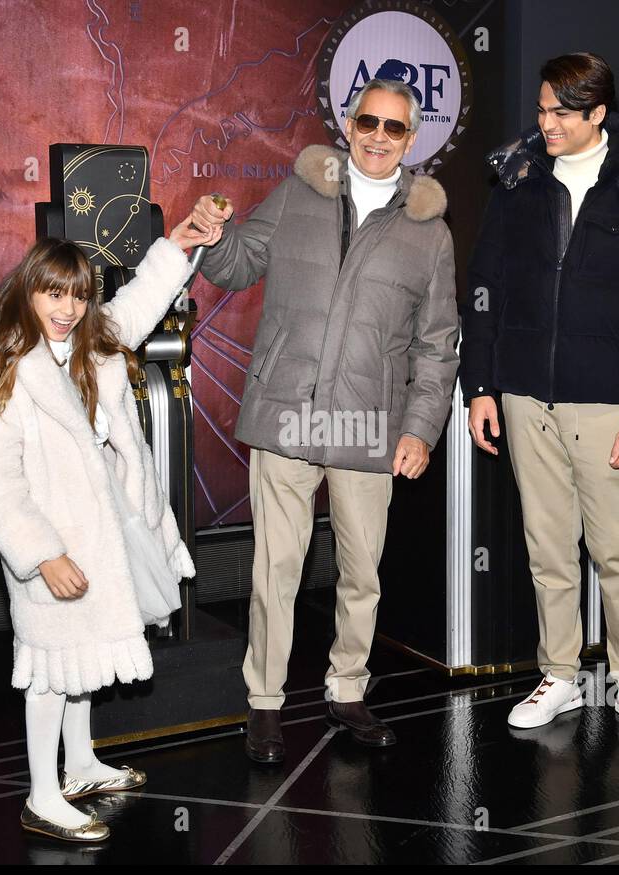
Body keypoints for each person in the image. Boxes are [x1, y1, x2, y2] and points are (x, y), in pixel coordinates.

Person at [188, 78, 460, 762]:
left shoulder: (429, 234)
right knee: (276, 567)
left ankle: (346, 688)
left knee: (362, 570)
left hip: (370, 425)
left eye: (393, 127)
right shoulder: (298, 193)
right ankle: (265, 702)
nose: (377, 135)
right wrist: (211, 237)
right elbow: (239, 261)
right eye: (367, 120)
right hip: (287, 410)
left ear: (412, 139)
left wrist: (420, 429)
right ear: (347, 121)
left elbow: (437, 344)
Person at [460, 53, 619, 741]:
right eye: (541, 109)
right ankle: (559, 674)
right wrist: (481, 386)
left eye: (561, 112)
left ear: (597, 115)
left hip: (605, 401)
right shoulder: (519, 180)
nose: (545, 123)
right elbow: (484, 288)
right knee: (548, 546)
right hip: (527, 396)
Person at [0, 220, 218, 841]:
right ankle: (41, 796)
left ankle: (78, 766)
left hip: (102, 532)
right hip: (49, 544)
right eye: (53, 293)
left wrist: (177, 247)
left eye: (77, 295)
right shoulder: (2, 373)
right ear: (28, 293)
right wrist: (42, 554)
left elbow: (137, 304)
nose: (66, 308)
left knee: (86, 653)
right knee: (52, 666)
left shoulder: (92, 342)